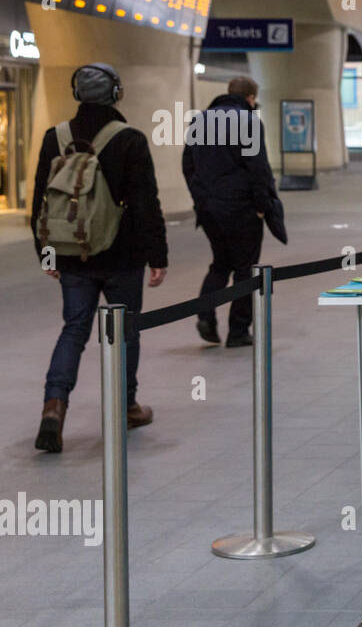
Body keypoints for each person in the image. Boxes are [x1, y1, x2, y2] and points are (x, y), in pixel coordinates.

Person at [31, 63, 167, 453]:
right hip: (122, 256)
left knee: (74, 329)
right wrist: (157, 255)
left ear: (78, 94)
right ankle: (125, 407)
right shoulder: (129, 139)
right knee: (125, 331)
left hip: (73, 254)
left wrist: (47, 254)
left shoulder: (54, 137)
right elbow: (145, 203)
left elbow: (42, 201)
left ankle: (53, 408)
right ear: (116, 93)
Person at [182, 76, 280, 348]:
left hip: (210, 209)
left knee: (220, 264)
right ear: (250, 98)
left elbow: (188, 164)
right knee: (244, 270)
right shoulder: (249, 122)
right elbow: (258, 168)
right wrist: (262, 205)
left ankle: (206, 316)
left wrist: (200, 199)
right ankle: (238, 331)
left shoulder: (199, 121)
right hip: (242, 208)